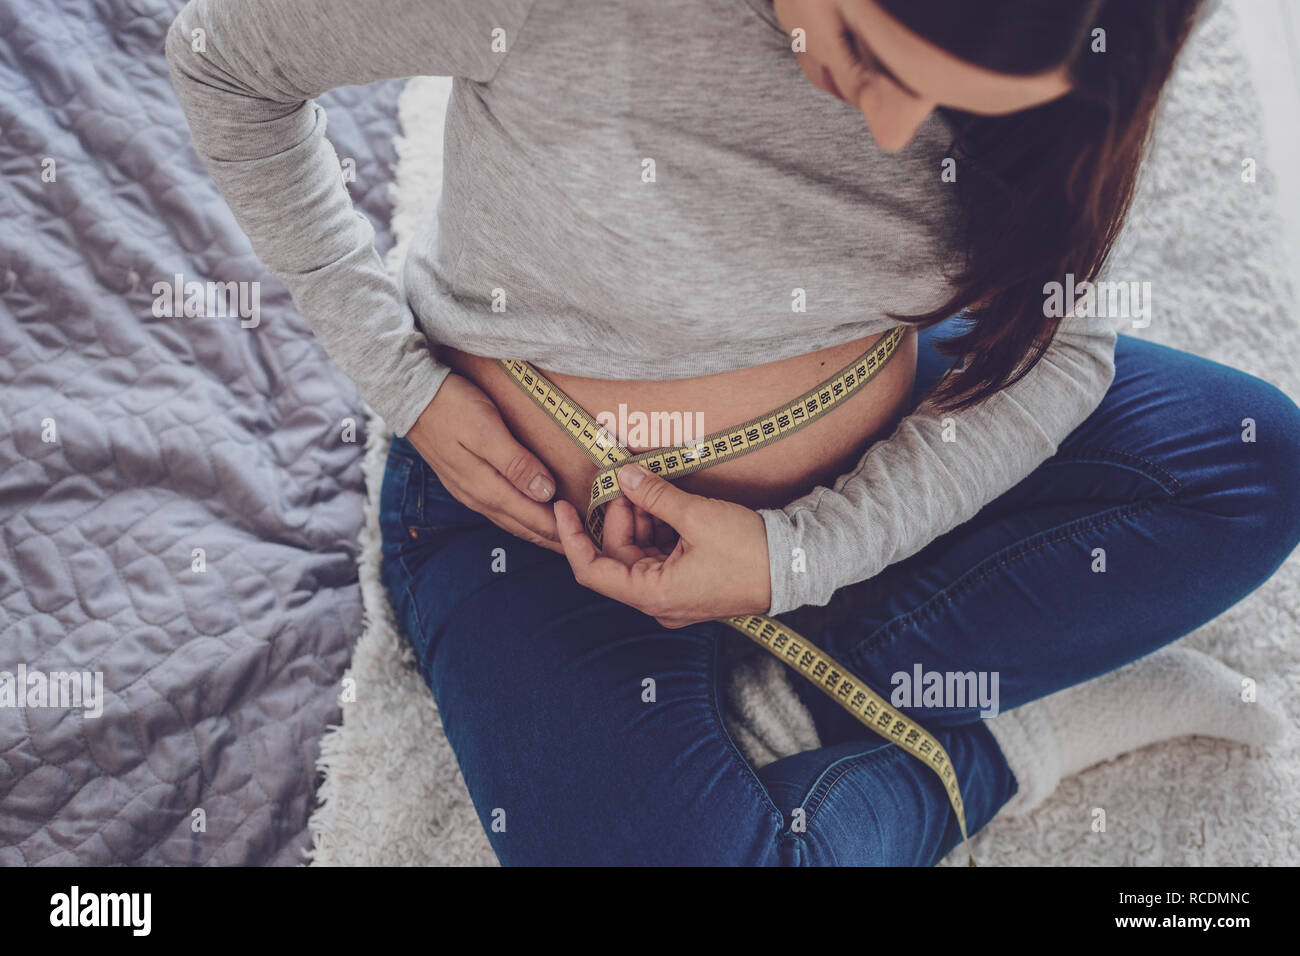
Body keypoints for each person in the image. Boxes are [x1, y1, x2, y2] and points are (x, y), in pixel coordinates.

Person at [167, 0, 1297, 865]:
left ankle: (811, 670)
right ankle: (1000, 738)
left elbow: (1062, 339)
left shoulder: (1074, 61)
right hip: (548, 532)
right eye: (867, 52)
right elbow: (223, 61)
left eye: (958, 106)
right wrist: (401, 380)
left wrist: (796, 554)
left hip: (881, 478)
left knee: (1253, 464)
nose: (896, 127)